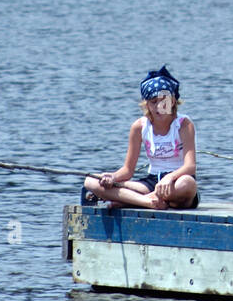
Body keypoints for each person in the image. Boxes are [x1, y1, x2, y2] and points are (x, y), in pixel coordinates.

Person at [83, 66, 199, 210]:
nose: (159, 106)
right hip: (151, 183)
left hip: (177, 182)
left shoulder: (183, 125)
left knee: (187, 184)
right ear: (146, 104)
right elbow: (127, 170)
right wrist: (113, 178)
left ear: (173, 101)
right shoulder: (139, 127)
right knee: (91, 181)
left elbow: (190, 166)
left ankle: (131, 200)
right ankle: (147, 202)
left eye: (164, 100)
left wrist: (169, 178)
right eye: (153, 101)